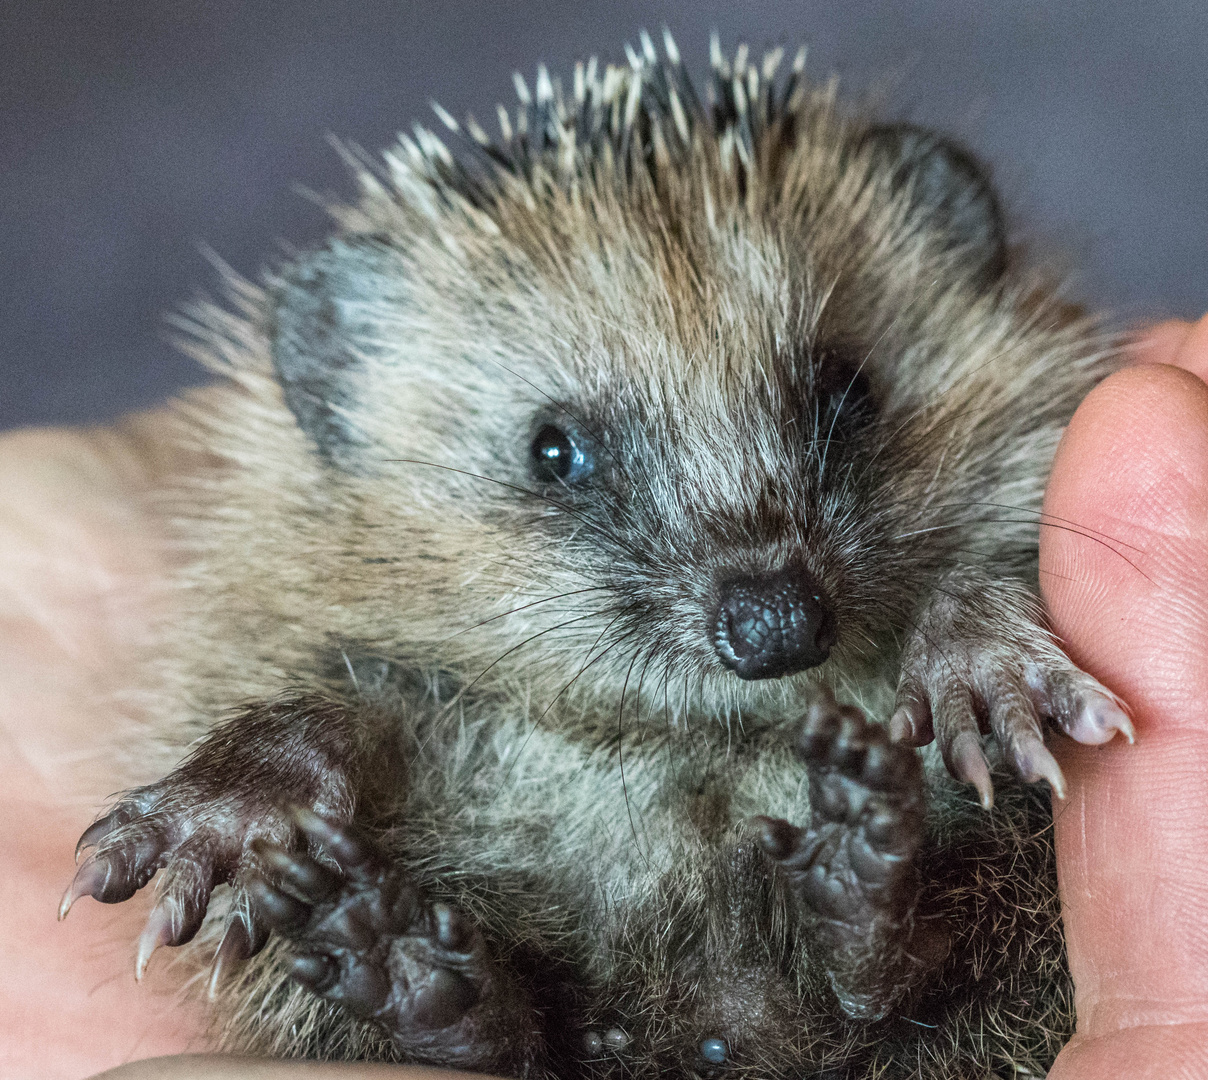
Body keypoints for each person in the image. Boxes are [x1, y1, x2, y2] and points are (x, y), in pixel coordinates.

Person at [1, 318, 1205, 1080]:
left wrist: (979, 625)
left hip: (909, 1025)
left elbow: (1009, 554)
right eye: (564, 458)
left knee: (1023, 800)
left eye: (829, 395)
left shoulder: (969, 491)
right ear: (342, 396)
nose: (769, 602)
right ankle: (504, 1019)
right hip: (571, 960)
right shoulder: (348, 581)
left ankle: (878, 952)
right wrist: (264, 762)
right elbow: (347, 691)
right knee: (327, 808)